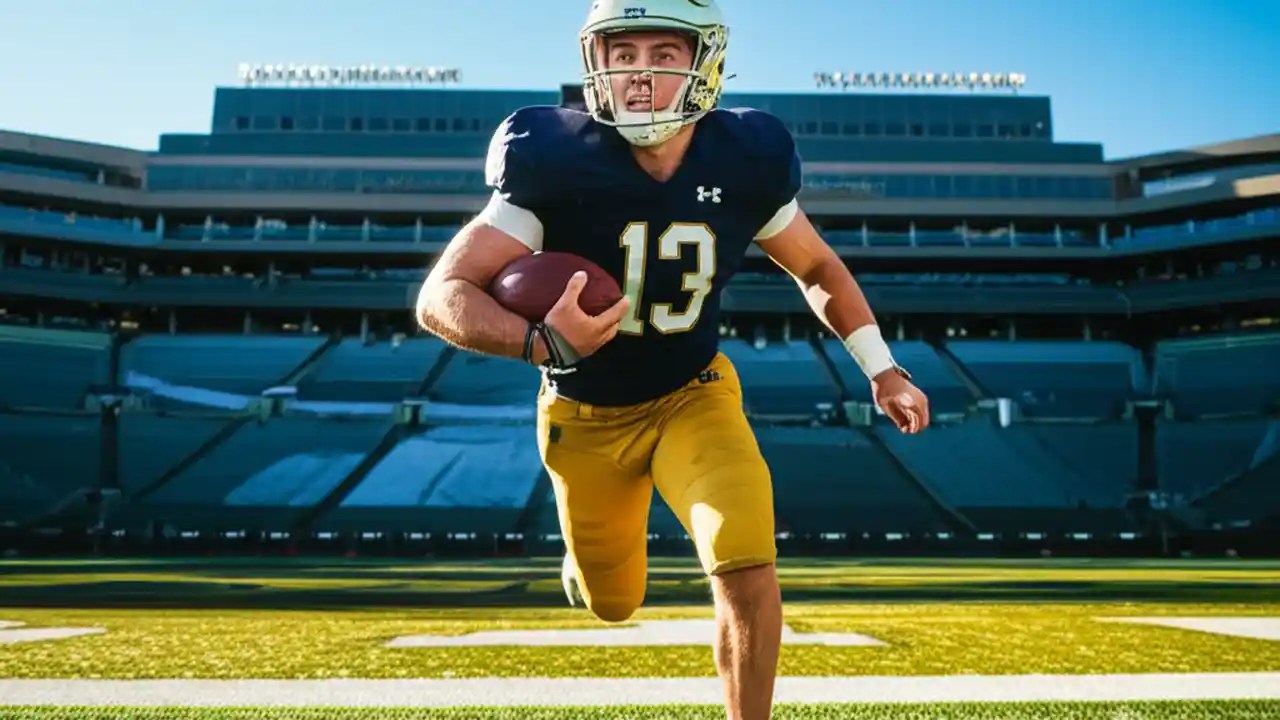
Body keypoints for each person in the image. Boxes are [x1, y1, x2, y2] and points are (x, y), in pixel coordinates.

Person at [415, 1, 931, 717]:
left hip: (694, 392)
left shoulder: (747, 156)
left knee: (746, 556)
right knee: (613, 602)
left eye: (663, 51)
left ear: (704, 62)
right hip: (583, 412)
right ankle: (589, 569)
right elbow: (441, 295)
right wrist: (539, 343)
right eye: (621, 55)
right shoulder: (553, 159)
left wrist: (882, 366)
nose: (638, 74)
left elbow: (817, 269)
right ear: (596, 63)